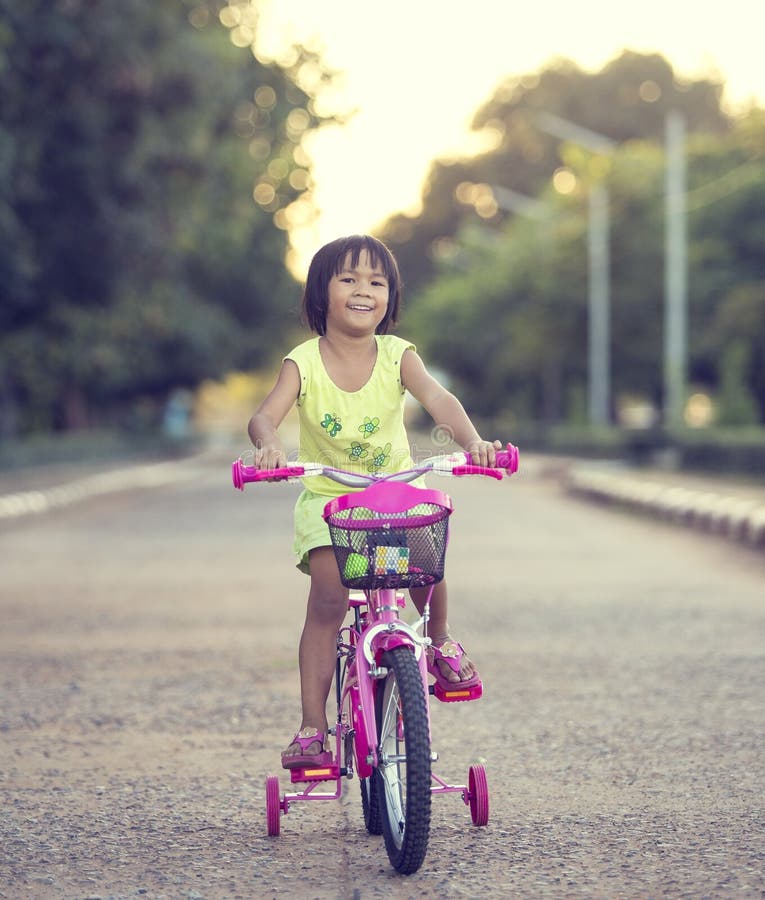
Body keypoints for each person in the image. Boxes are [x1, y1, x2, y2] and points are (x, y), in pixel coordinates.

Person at [248, 234, 502, 769]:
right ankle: (314, 729)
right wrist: (269, 447)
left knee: (426, 561)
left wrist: (473, 443)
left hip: (393, 493)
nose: (364, 290)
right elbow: (265, 415)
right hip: (329, 501)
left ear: (390, 297)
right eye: (348, 279)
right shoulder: (303, 363)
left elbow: (438, 399)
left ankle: (439, 641)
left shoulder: (397, 355)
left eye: (377, 282)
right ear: (321, 294)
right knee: (327, 601)